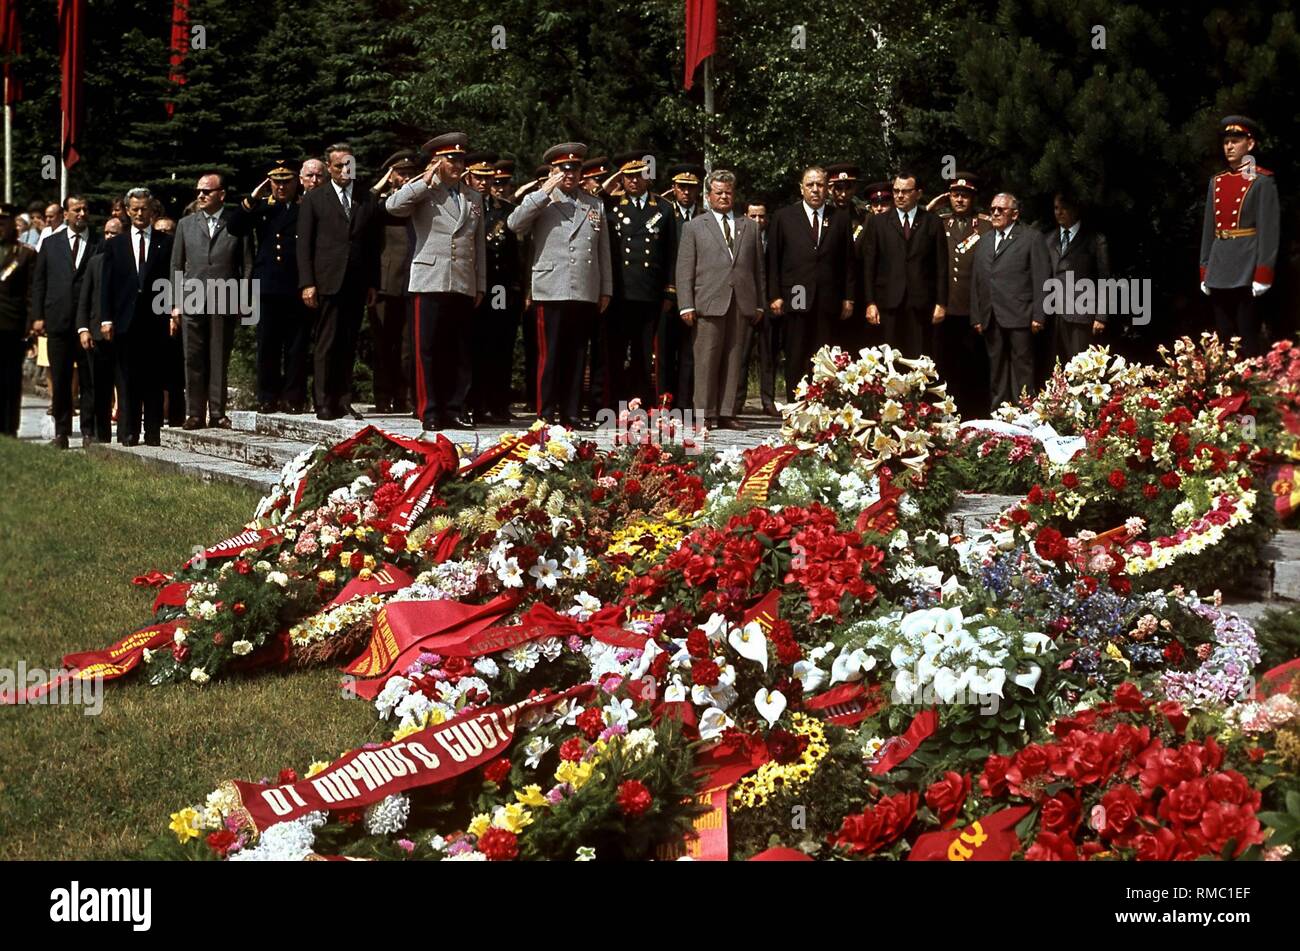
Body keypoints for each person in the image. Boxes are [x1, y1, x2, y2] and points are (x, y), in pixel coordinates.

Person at [507, 141, 611, 428]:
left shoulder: (594, 204)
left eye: (575, 169)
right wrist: (543, 191)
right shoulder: (541, 199)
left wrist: (605, 288)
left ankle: (572, 412)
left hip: (584, 287)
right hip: (551, 287)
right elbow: (515, 224)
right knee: (549, 355)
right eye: (564, 169)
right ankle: (545, 412)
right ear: (553, 170)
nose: (570, 174)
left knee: (578, 355)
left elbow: (603, 250)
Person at [386, 132, 485, 433]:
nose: (457, 165)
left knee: (458, 351)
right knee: (426, 349)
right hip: (430, 277)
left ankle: (455, 407)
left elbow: (477, 243)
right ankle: (429, 409)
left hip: (462, 280)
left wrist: (480, 283)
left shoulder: (473, 196)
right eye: (450, 160)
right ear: (437, 163)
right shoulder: (425, 191)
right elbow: (393, 206)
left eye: (460, 159)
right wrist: (422, 181)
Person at [676, 168, 765, 431]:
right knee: (707, 359)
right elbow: (684, 269)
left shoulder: (749, 227)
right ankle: (705, 413)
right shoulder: (693, 227)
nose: (724, 197)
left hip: (741, 301)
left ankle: (727, 412)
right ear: (708, 196)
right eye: (719, 193)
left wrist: (759, 302)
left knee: (734, 359)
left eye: (728, 192)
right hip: (708, 302)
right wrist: (686, 304)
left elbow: (758, 269)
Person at [297, 143, 380, 421]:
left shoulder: (366, 198)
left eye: (349, 165)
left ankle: (343, 399)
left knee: (348, 341)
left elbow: (371, 244)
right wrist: (307, 282)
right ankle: (322, 400)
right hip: (327, 279)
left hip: (356, 281)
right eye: (339, 166)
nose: (345, 171)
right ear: (329, 168)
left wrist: (372, 283)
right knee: (326, 342)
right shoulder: (315, 198)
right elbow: (305, 244)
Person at [228, 157, 312, 414]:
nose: (281, 187)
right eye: (276, 182)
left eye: (286, 182)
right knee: (268, 345)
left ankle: (293, 398)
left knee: (297, 347)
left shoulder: (305, 207)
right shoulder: (263, 208)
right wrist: (252, 198)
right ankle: (268, 396)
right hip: (268, 287)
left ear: (295, 182)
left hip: (297, 284)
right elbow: (234, 227)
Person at [170, 170, 252, 430]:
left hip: (225, 297)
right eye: (199, 191)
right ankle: (194, 413)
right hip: (192, 298)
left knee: (219, 356)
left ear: (222, 194)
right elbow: (176, 265)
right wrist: (174, 303)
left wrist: (244, 298)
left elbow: (247, 264)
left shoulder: (237, 223)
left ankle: (217, 412)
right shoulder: (186, 224)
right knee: (192, 357)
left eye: (207, 191)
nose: (201, 195)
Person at [766, 166, 855, 398]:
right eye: (810, 185)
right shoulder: (784, 217)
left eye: (820, 185)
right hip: (796, 292)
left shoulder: (840, 218)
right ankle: (796, 405)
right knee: (796, 351)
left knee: (825, 354)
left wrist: (848, 297)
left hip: (828, 296)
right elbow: (773, 259)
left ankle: (823, 407)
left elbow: (848, 261)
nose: (815, 190)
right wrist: (774, 295)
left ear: (827, 188)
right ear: (801, 188)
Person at [100, 187, 176, 445]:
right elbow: (107, 285)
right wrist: (106, 319)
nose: (140, 214)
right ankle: (129, 431)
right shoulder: (115, 245)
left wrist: (170, 314)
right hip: (125, 321)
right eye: (135, 209)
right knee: (128, 379)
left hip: (154, 321)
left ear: (151, 209)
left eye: (144, 208)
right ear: (127, 211)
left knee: (153, 379)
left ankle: (153, 432)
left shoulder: (164, 242)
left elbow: (171, 281)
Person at [1199, 115, 1280, 358]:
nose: (1229, 147)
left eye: (1235, 141)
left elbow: (1269, 231)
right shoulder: (1217, 181)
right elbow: (1208, 230)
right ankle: (1226, 392)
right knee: (1223, 336)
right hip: (1220, 265)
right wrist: (1204, 268)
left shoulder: (1262, 181)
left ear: (1250, 144)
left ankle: (1248, 390)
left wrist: (1264, 273)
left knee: (1247, 336)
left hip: (1247, 267)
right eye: (1226, 142)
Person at [607, 150, 675, 408]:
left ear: (648, 177)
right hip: (620, 292)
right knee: (616, 350)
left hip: (649, 293)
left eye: (638, 175)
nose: (633, 181)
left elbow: (671, 253)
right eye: (628, 177)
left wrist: (670, 291)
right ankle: (616, 402)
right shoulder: (612, 206)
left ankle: (643, 401)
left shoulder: (663, 209)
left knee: (645, 352)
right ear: (621, 180)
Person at [971, 192, 1050, 411]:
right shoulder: (984, 240)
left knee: (1022, 368)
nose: (995, 213)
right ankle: (999, 414)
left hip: (1021, 315)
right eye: (992, 209)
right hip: (991, 316)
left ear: (1014, 214)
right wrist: (977, 315)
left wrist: (1039, 315)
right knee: (996, 368)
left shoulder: (1031, 238)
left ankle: (1024, 413)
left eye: (1001, 210)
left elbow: (1042, 278)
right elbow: (977, 280)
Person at [31, 195, 97, 448]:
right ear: (66, 214)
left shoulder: (98, 243)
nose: (81, 214)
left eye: (85, 209)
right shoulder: (50, 244)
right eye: (76, 210)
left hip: (87, 325)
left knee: (89, 379)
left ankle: (89, 432)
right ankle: (61, 432)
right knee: (60, 379)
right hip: (57, 320)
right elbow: (39, 283)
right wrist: (37, 316)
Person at [861, 170, 948, 359]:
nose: (900, 196)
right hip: (888, 303)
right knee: (889, 360)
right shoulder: (878, 222)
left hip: (921, 303)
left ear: (918, 193)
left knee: (920, 360)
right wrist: (870, 302)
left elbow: (941, 266)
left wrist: (941, 302)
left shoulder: (932, 222)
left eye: (906, 191)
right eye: (896, 191)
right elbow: (869, 266)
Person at [929, 172, 992, 416]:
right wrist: (933, 206)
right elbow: (916, 225)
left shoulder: (985, 225)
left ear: (973, 198)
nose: (959, 200)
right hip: (946, 307)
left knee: (975, 364)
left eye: (965, 196)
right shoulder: (940, 222)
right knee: (945, 364)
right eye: (955, 195)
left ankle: (974, 412)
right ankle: (946, 413)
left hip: (973, 307)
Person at [470, 156, 523, 423]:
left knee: (500, 344)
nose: (486, 183)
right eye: (479, 178)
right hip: (472, 285)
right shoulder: (467, 206)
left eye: (489, 179)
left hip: (500, 286)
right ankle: (474, 404)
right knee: (474, 346)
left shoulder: (505, 210)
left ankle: (498, 403)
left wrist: (516, 286)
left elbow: (514, 252)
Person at [370, 149, 421, 414]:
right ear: (391, 177)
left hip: (414, 278)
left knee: (408, 345)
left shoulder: (419, 200)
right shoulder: (380, 201)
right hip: (386, 279)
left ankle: (407, 395)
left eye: (411, 173)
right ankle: (383, 395)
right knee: (383, 343)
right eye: (401, 174)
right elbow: (365, 210)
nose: (407, 178)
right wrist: (382, 185)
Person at [658, 162, 704, 410]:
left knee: (690, 353)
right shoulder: (664, 213)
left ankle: (686, 403)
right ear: (673, 188)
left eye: (691, 188)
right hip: (668, 294)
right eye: (682, 187)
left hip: (697, 295)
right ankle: (665, 402)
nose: (686, 193)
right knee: (665, 351)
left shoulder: (705, 216)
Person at [1047, 193, 1111, 364]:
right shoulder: (1049, 239)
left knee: (1081, 367)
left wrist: (1101, 316)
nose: (1059, 212)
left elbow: (1104, 278)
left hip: (1081, 315)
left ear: (1075, 209)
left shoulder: (1094, 239)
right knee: (1055, 369)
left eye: (1064, 208)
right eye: (1056, 208)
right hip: (1053, 315)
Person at [77, 217, 124, 443]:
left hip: (124, 335)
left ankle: (126, 433)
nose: (109, 237)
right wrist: (84, 328)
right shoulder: (95, 262)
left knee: (124, 388)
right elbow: (84, 298)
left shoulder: (132, 261)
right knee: (99, 389)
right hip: (97, 336)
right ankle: (99, 434)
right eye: (106, 233)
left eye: (114, 233)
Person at [733, 200, 779, 416]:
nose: (758, 221)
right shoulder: (737, 238)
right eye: (753, 216)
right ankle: (737, 401)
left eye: (762, 216)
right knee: (741, 356)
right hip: (746, 306)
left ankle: (768, 401)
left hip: (769, 305)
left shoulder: (773, 240)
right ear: (745, 216)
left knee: (768, 356)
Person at [0, 206, 38, 437]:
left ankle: (8, 427)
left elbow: (32, 292)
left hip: (11, 325)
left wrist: (32, 323)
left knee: (10, 379)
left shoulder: (25, 253)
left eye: (4, 222)